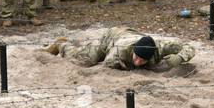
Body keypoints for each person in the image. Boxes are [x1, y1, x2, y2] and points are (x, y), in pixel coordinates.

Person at [43, 27, 195, 71]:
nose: (137, 60)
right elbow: (108, 65)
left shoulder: (161, 47)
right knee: (85, 60)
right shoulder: (120, 51)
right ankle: (62, 44)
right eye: (136, 56)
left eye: (142, 60)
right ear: (133, 50)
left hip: (131, 34)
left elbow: (189, 46)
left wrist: (180, 57)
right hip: (111, 38)